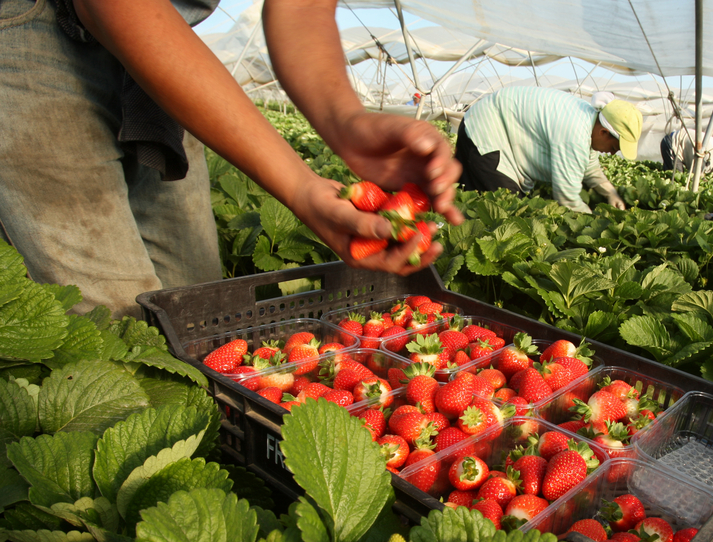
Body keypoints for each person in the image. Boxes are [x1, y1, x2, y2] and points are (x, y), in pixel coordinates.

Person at [0, 0, 462, 320]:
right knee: (113, 312)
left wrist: (347, 124)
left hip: (168, 37)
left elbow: (302, 7)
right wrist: (299, 187)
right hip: (34, 27)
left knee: (198, 301)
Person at [453, 87, 642, 213]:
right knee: (506, 211)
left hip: (484, 125)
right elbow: (566, 198)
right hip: (486, 135)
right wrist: (594, 224)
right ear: (603, 132)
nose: (612, 153)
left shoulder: (588, 120)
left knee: (465, 199)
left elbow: (590, 167)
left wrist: (610, 192)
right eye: (614, 147)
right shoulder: (574, 132)